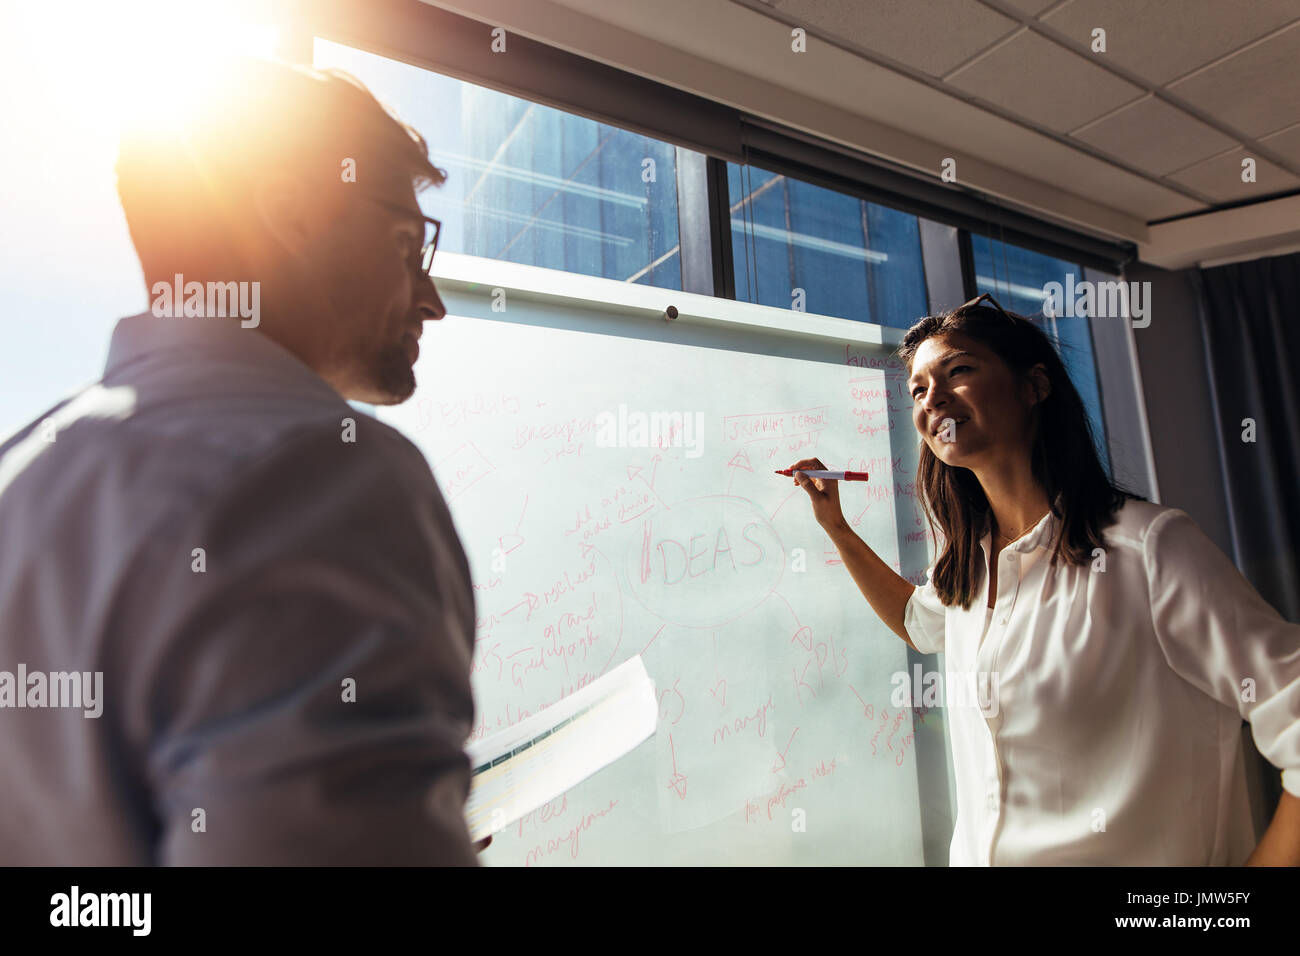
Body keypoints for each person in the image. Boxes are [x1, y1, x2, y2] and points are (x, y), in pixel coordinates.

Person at [0, 57, 487, 863]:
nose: (430, 297)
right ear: (292, 213)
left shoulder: (25, 478)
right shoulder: (320, 481)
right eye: (407, 242)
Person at [789, 292, 1300, 866]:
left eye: (958, 370)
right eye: (918, 388)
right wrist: (835, 526)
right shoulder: (967, 574)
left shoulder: (1149, 550)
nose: (933, 398)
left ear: (1035, 386)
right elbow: (916, 622)